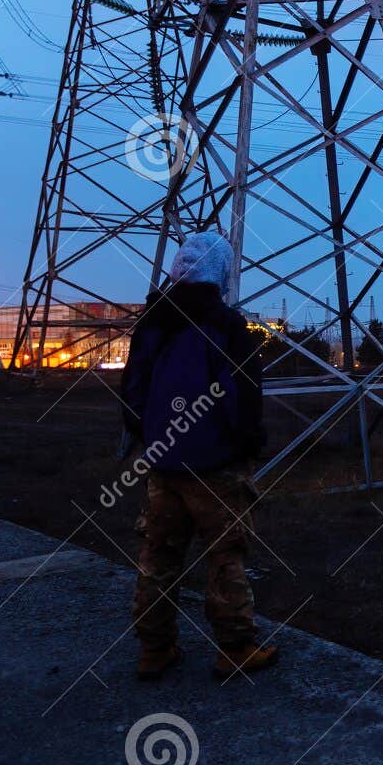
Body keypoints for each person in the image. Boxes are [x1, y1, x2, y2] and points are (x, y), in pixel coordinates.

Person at [121, 232, 277, 681]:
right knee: (225, 556)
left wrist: (147, 436)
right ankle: (235, 648)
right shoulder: (227, 326)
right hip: (216, 467)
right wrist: (247, 443)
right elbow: (244, 397)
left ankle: (155, 650)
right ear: (221, 272)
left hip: (163, 464)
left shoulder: (154, 321)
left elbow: (133, 389)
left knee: (158, 555)